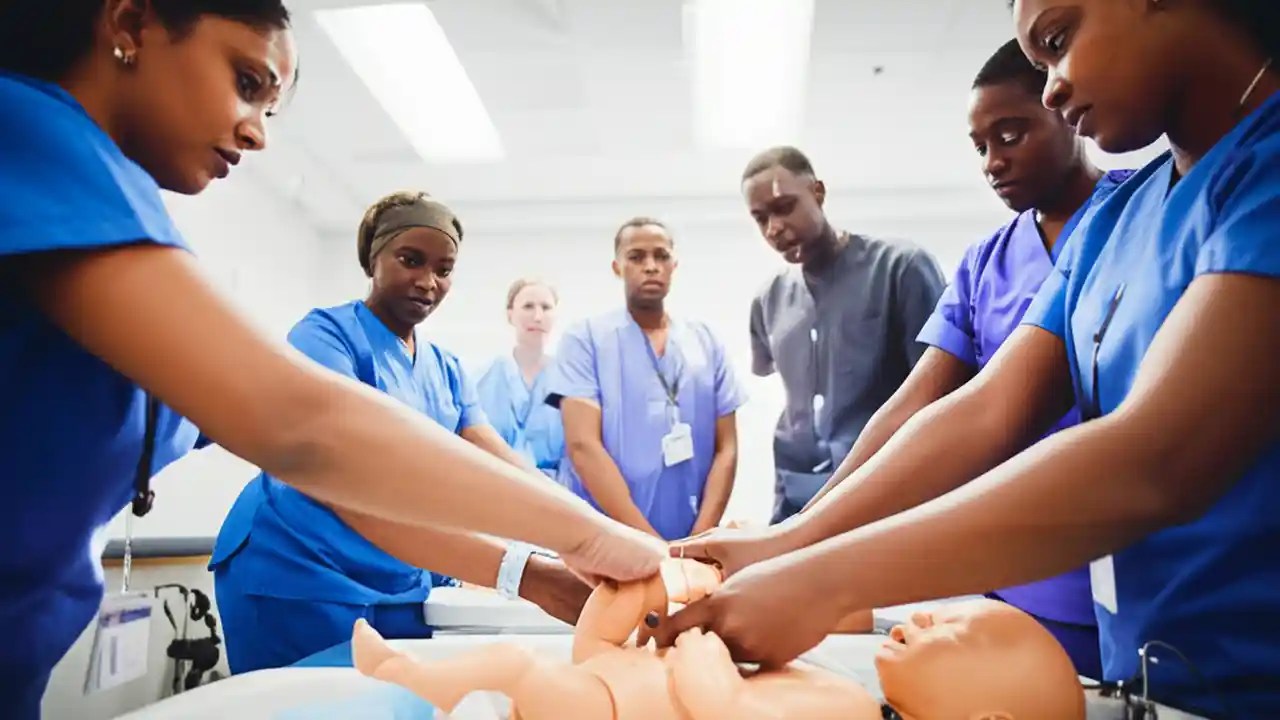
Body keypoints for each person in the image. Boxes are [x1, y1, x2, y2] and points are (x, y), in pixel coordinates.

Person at [0, 2, 662, 715]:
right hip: (295, 576)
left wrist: (588, 539)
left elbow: (401, 460)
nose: (256, 131)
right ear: (129, 26)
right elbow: (309, 433)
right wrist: (570, 547)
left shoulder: (112, 218)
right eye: (247, 81)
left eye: (271, 108)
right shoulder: (26, 137)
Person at [656, 1, 1280, 716]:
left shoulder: (1263, 175)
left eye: (1057, 40)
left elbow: (1158, 456)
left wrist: (827, 578)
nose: (1050, 87)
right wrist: (790, 541)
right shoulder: (1113, 222)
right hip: (1156, 667)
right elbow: (983, 412)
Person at [796, 38, 1136, 680]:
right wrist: (804, 531)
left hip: (1125, 561)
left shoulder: (1140, 215)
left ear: (1067, 106)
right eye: (980, 147)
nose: (993, 162)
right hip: (1010, 565)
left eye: (1011, 135)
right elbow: (917, 408)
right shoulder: (984, 264)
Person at [210, 192, 589, 672]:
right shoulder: (326, 336)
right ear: (374, 258)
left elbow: (501, 464)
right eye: (410, 260)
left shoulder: (446, 368)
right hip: (297, 571)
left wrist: (588, 534)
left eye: (444, 269)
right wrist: (522, 571)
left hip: (398, 579)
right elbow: (347, 472)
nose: (428, 281)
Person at [744, 147, 947, 521]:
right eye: (760, 218)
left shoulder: (900, 269)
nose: (774, 228)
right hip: (799, 497)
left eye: (784, 207)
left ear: (818, 192)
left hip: (888, 490)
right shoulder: (768, 299)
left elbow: (939, 393)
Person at [546, 218, 747, 540]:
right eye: (636, 257)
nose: (651, 266)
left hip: (690, 537)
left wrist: (700, 538)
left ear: (674, 264)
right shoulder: (586, 339)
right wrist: (647, 542)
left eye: (661, 256)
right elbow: (582, 445)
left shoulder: (705, 340)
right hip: (608, 535)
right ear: (617, 267)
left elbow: (728, 447)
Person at [476, 278, 565, 478]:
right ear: (510, 315)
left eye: (546, 307)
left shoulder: (570, 383)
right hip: (495, 489)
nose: (538, 316)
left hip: (557, 495)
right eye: (528, 307)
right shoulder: (484, 378)